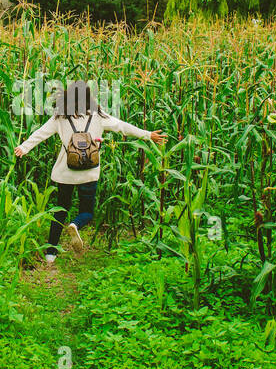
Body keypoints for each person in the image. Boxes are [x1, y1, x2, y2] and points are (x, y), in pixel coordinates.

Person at [13, 80, 166, 264]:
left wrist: (24, 147)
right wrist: (148, 134)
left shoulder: (60, 117)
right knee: (87, 211)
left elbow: (41, 133)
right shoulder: (98, 116)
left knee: (60, 209)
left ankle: (50, 253)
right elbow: (123, 127)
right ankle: (75, 224)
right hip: (89, 172)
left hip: (65, 172)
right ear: (88, 97)